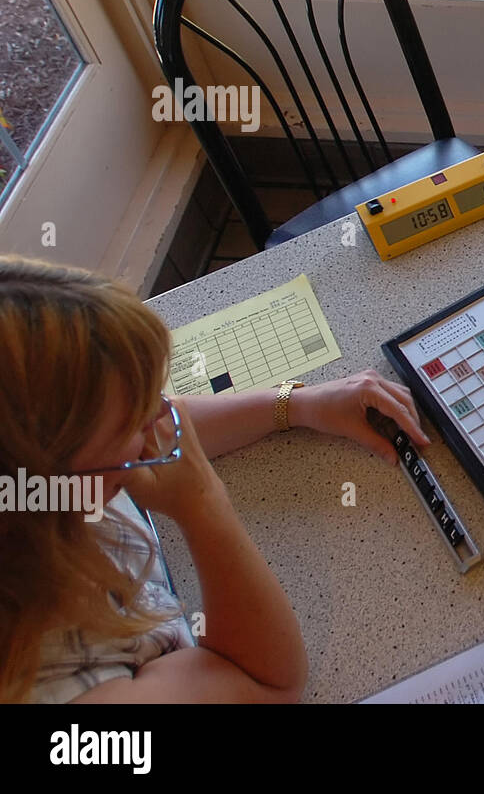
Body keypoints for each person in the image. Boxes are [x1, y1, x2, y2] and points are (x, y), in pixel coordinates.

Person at [0, 254, 432, 703]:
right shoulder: (57, 682)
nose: (164, 413)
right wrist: (202, 502)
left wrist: (297, 404)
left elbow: (159, 421)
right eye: (133, 422)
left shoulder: (41, 482)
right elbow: (268, 684)